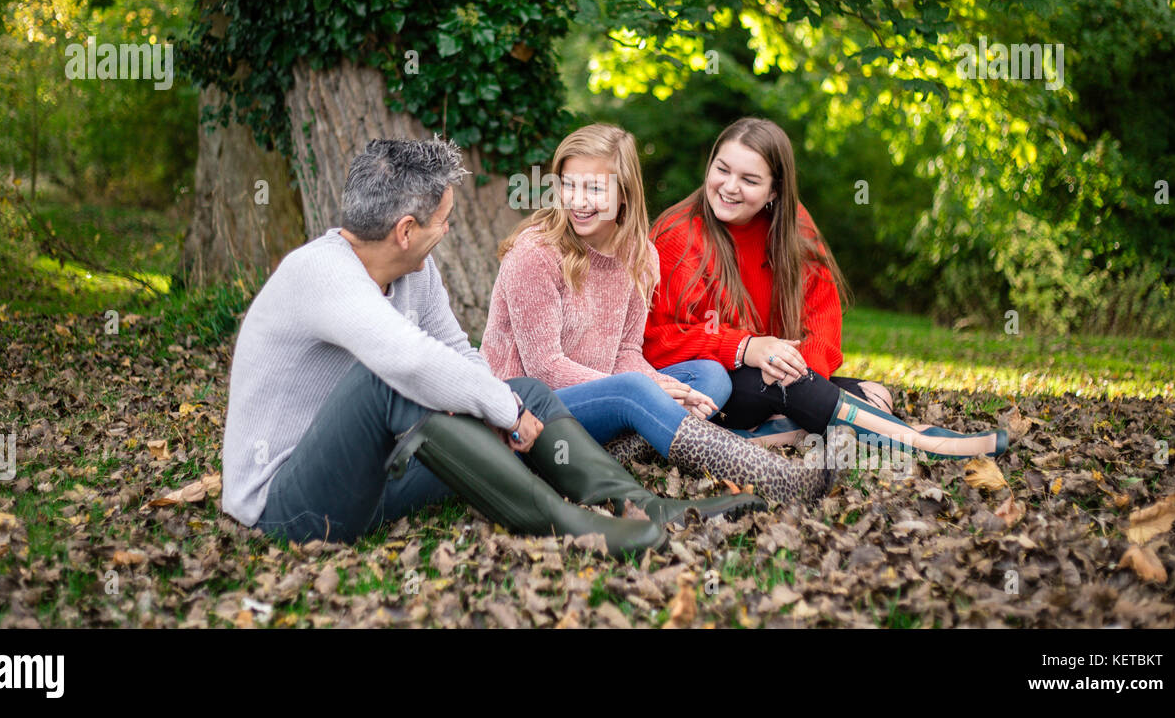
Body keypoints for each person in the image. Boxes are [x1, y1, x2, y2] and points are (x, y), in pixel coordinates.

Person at [220, 137, 757, 556]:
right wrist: (502, 410)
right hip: (290, 507)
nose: (449, 230)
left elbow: (456, 349)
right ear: (406, 230)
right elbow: (408, 360)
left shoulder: (416, 269)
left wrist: (508, 403)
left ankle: (641, 505)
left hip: (377, 477)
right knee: (389, 382)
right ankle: (568, 525)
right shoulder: (318, 273)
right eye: (444, 220)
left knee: (526, 390)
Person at [481, 123, 836, 505]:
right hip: (526, 410)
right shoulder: (536, 254)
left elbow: (627, 352)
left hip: (602, 399)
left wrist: (657, 384)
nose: (578, 201)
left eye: (595, 189)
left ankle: (622, 449)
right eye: (569, 185)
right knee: (638, 390)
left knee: (709, 377)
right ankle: (769, 475)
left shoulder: (640, 256)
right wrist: (646, 389)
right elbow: (544, 369)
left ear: (624, 195)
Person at [644, 117, 1008, 460]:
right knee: (799, 388)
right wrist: (745, 347)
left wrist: (809, 374)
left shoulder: (790, 226)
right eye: (721, 170)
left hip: (771, 376)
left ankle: (774, 431)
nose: (729, 186)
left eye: (750, 180)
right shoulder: (678, 235)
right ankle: (919, 442)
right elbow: (654, 341)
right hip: (709, 390)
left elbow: (823, 314)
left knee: (873, 396)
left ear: (775, 190)